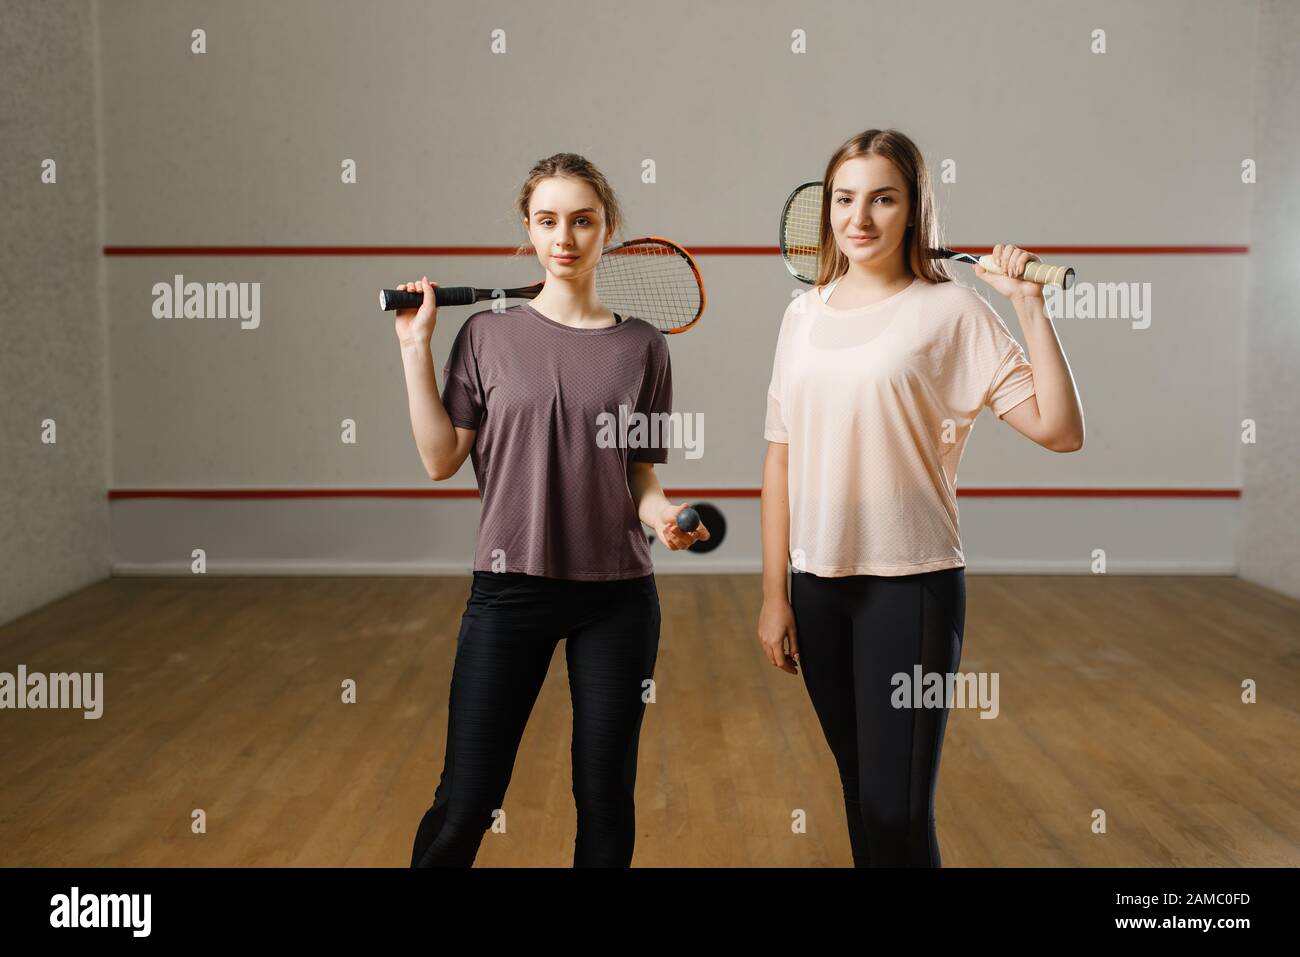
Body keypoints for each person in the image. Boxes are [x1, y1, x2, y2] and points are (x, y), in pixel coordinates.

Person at [757, 129, 1085, 866]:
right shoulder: (801, 315)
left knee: (897, 811)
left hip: (912, 588)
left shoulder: (953, 311)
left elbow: (1061, 431)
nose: (860, 218)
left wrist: (1031, 306)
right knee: (862, 803)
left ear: (913, 210)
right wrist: (774, 593)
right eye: (845, 199)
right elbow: (780, 460)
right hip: (817, 588)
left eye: (883, 199)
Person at [397, 153, 708, 867]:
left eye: (582, 220)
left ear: (608, 230)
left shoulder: (643, 347)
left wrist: (663, 515)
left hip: (618, 600)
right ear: (528, 231)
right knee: (465, 801)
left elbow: (640, 473)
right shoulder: (485, 336)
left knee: (606, 799)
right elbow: (440, 458)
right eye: (547, 221)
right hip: (510, 591)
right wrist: (416, 350)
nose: (564, 236)